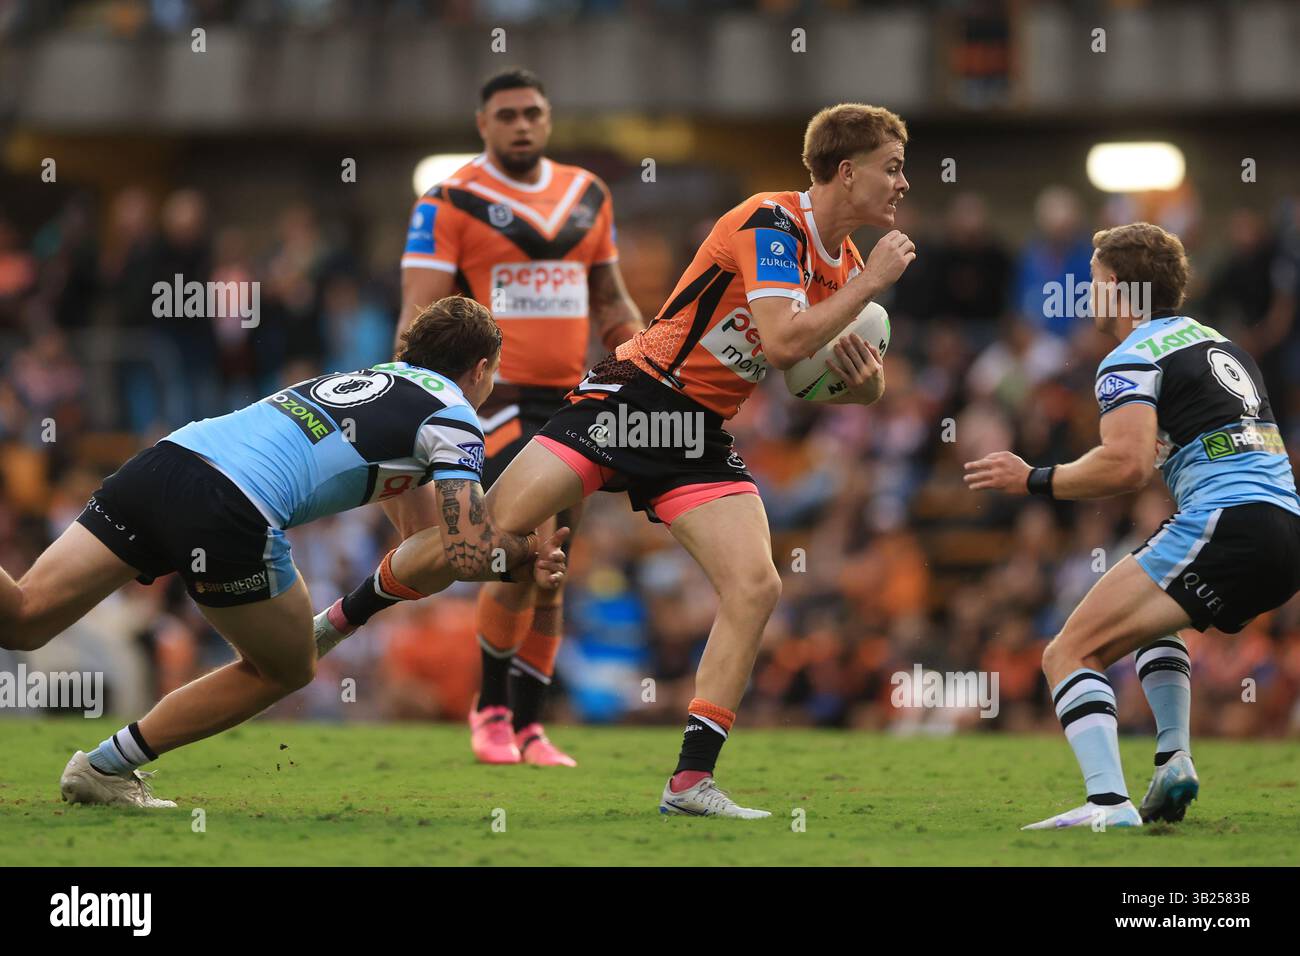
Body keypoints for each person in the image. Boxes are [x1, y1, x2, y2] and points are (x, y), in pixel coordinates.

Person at [317, 102, 916, 817]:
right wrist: (871, 286)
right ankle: (337, 623)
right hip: (632, 400)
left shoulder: (843, 265)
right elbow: (786, 344)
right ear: (847, 173)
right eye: (893, 167)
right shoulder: (774, 225)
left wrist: (868, 375)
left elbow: (810, 380)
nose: (903, 183)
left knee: (756, 586)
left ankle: (691, 782)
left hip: (695, 434)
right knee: (483, 540)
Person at [0, 296, 566, 808]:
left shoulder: (372, 379)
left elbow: (424, 546)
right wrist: (521, 554)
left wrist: (497, 553)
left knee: (23, 617)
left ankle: (111, 764)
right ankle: (104, 768)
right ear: (482, 370)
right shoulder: (455, 414)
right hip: (229, 508)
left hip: (165, 462)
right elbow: (467, 553)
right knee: (287, 667)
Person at [965, 222, 1300, 830]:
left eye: (1092, 282)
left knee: (1069, 651)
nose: (1087, 295)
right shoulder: (1223, 345)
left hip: (1226, 521)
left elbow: (1125, 464)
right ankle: (1173, 759)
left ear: (1117, 286)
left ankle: (1107, 805)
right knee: (1155, 625)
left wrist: (1034, 479)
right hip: (1284, 531)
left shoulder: (1131, 355)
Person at [394, 67, 642, 766]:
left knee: (554, 561)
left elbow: (611, 300)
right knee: (521, 554)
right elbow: (418, 320)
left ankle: (528, 727)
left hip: (572, 399)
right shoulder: (448, 201)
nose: (521, 124)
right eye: (506, 115)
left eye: (532, 111)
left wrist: (646, 359)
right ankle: (494, 711)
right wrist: (415, 413)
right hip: (489, 401)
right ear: (483, 124)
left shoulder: (588, 195)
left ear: (550, 117)